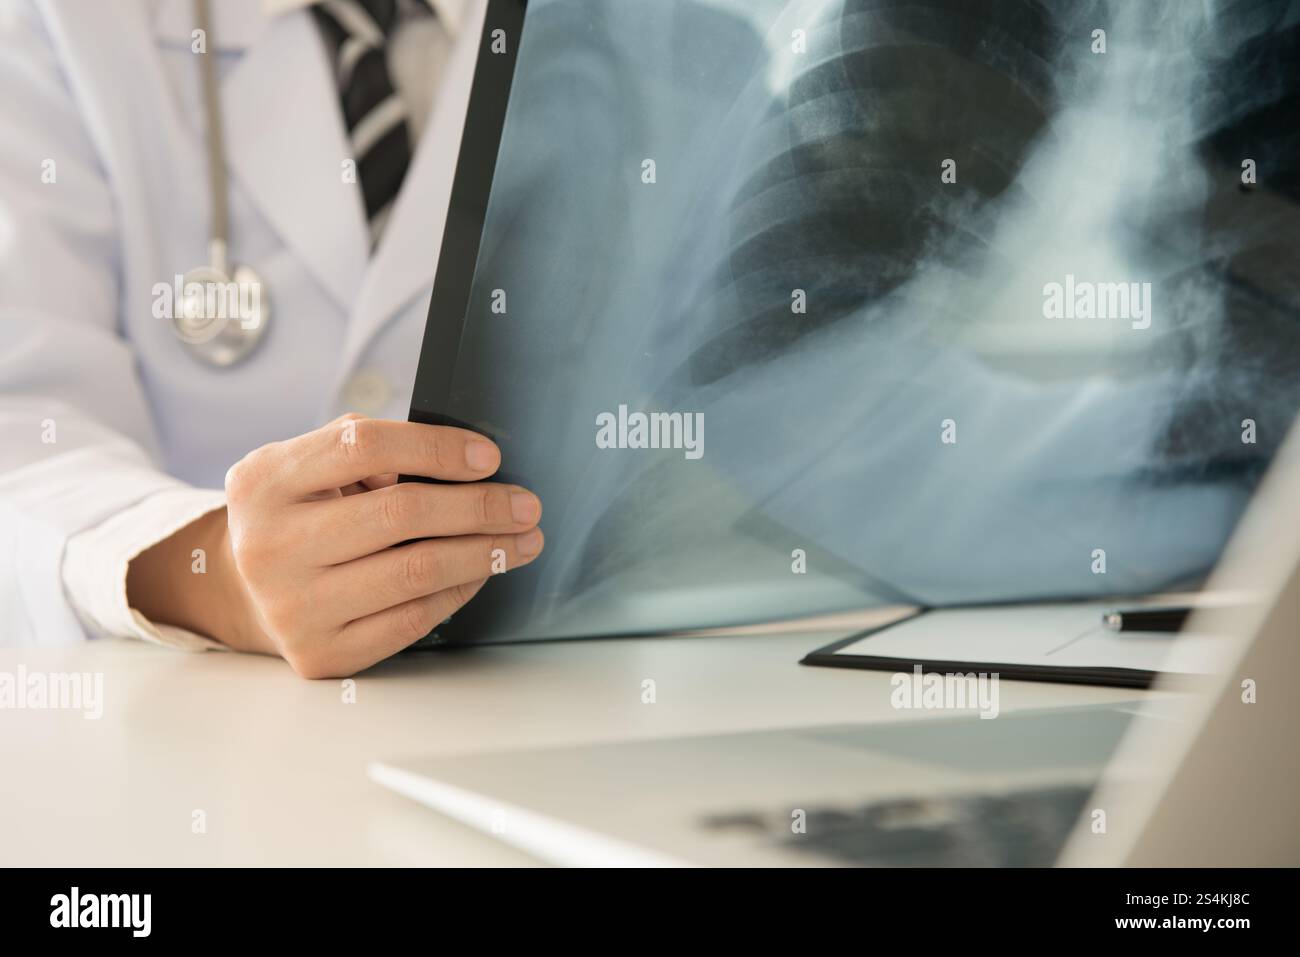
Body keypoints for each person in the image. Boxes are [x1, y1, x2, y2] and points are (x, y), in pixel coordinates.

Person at [0, 0, 543, 677]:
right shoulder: (61, 23)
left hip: (542, 683)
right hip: (197, 710)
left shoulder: (636, 34)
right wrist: (223, 576)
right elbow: (22, 429)